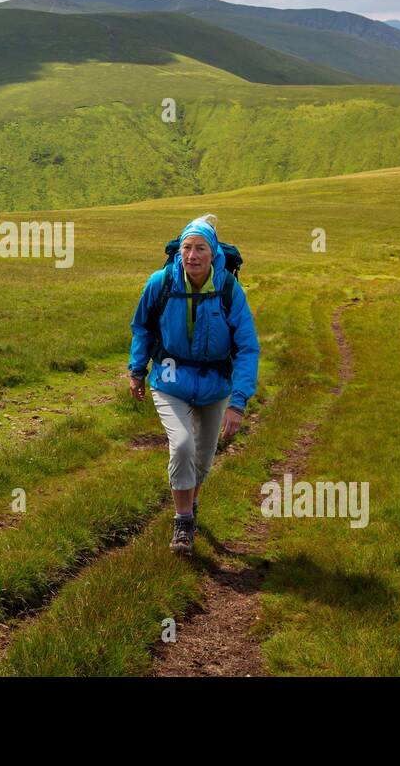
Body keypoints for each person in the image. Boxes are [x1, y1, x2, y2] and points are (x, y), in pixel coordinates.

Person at [127, 213, 259, 556]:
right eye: (186, 247)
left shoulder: (229, 290)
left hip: (215, 386)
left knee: (202, 459)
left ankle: (192, 504)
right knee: (183, 444)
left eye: (200, 248)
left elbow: (247, 347)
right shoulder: (161, 283)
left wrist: (238, 401)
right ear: (178, 251)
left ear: (213, 253)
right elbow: (142, 327)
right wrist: (137, 370)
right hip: (170, 380)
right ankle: (183, 521)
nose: (192, 255)